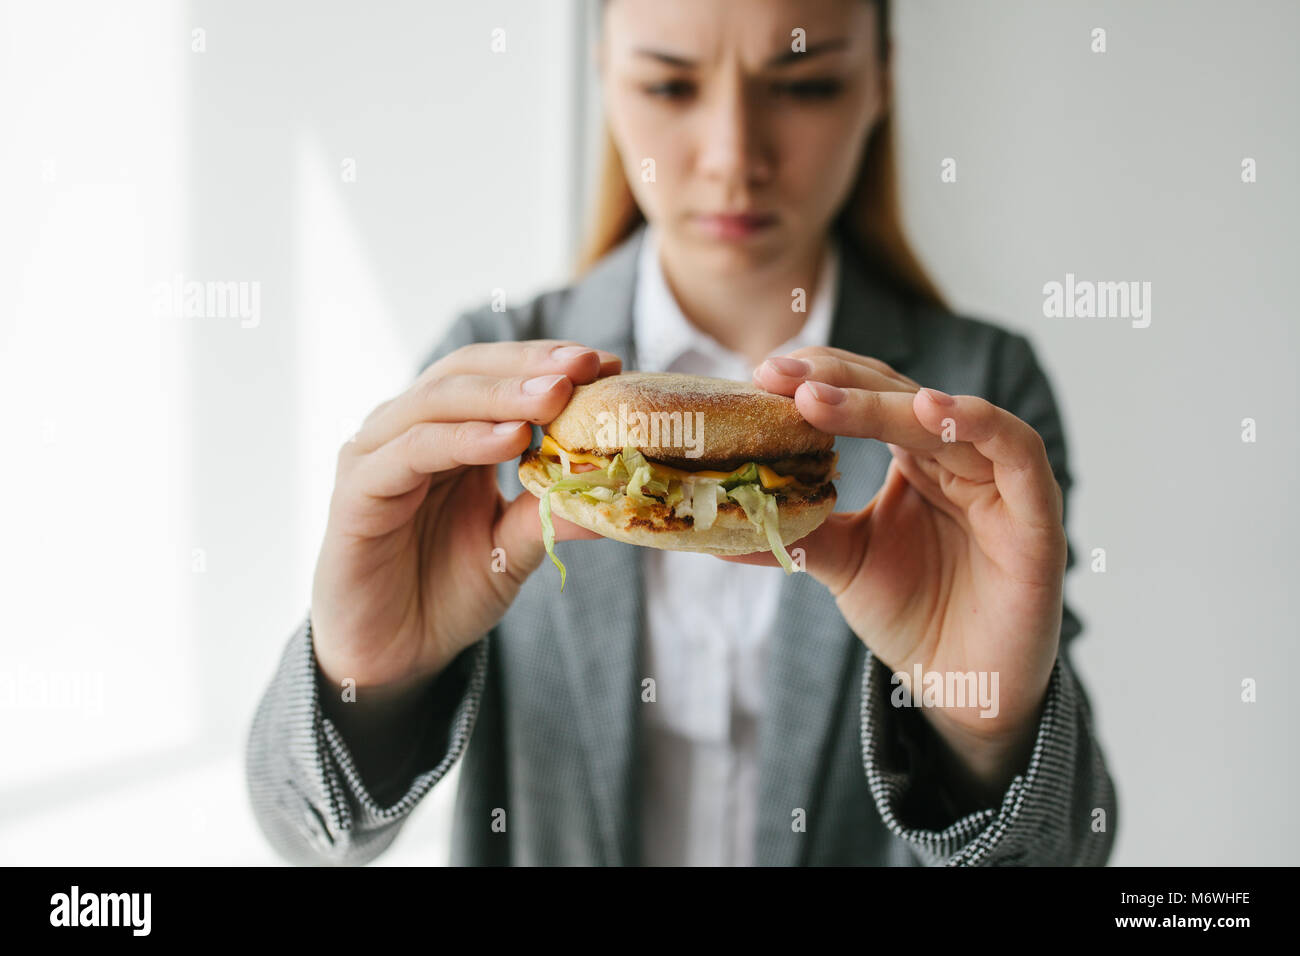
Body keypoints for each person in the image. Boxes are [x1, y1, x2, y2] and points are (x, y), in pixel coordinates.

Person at [246, 0, 1117, 866]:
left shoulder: (973, 408)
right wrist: (367, 679)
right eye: (669, 82)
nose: (735, 158)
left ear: (880, 81)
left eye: (805, 83)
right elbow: (305, 833)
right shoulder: (486, 394)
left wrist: (986, 728)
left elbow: (1070, 852)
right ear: (605, 76)